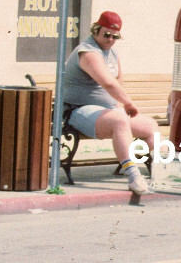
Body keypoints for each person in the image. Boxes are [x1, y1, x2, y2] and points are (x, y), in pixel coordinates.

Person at [61, 10, 157, 194]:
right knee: (119, 121)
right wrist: (128, 104)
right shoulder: (88, 51)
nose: (110, 39)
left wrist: (121, 106)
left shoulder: (113, 54)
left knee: (150, 126)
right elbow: (107, 82)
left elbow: (119, 82)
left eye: (115, 36)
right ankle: (133, 175)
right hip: (78, 111)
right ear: (95, 30)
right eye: (106, 34)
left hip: (107, 111)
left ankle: (164, 169)